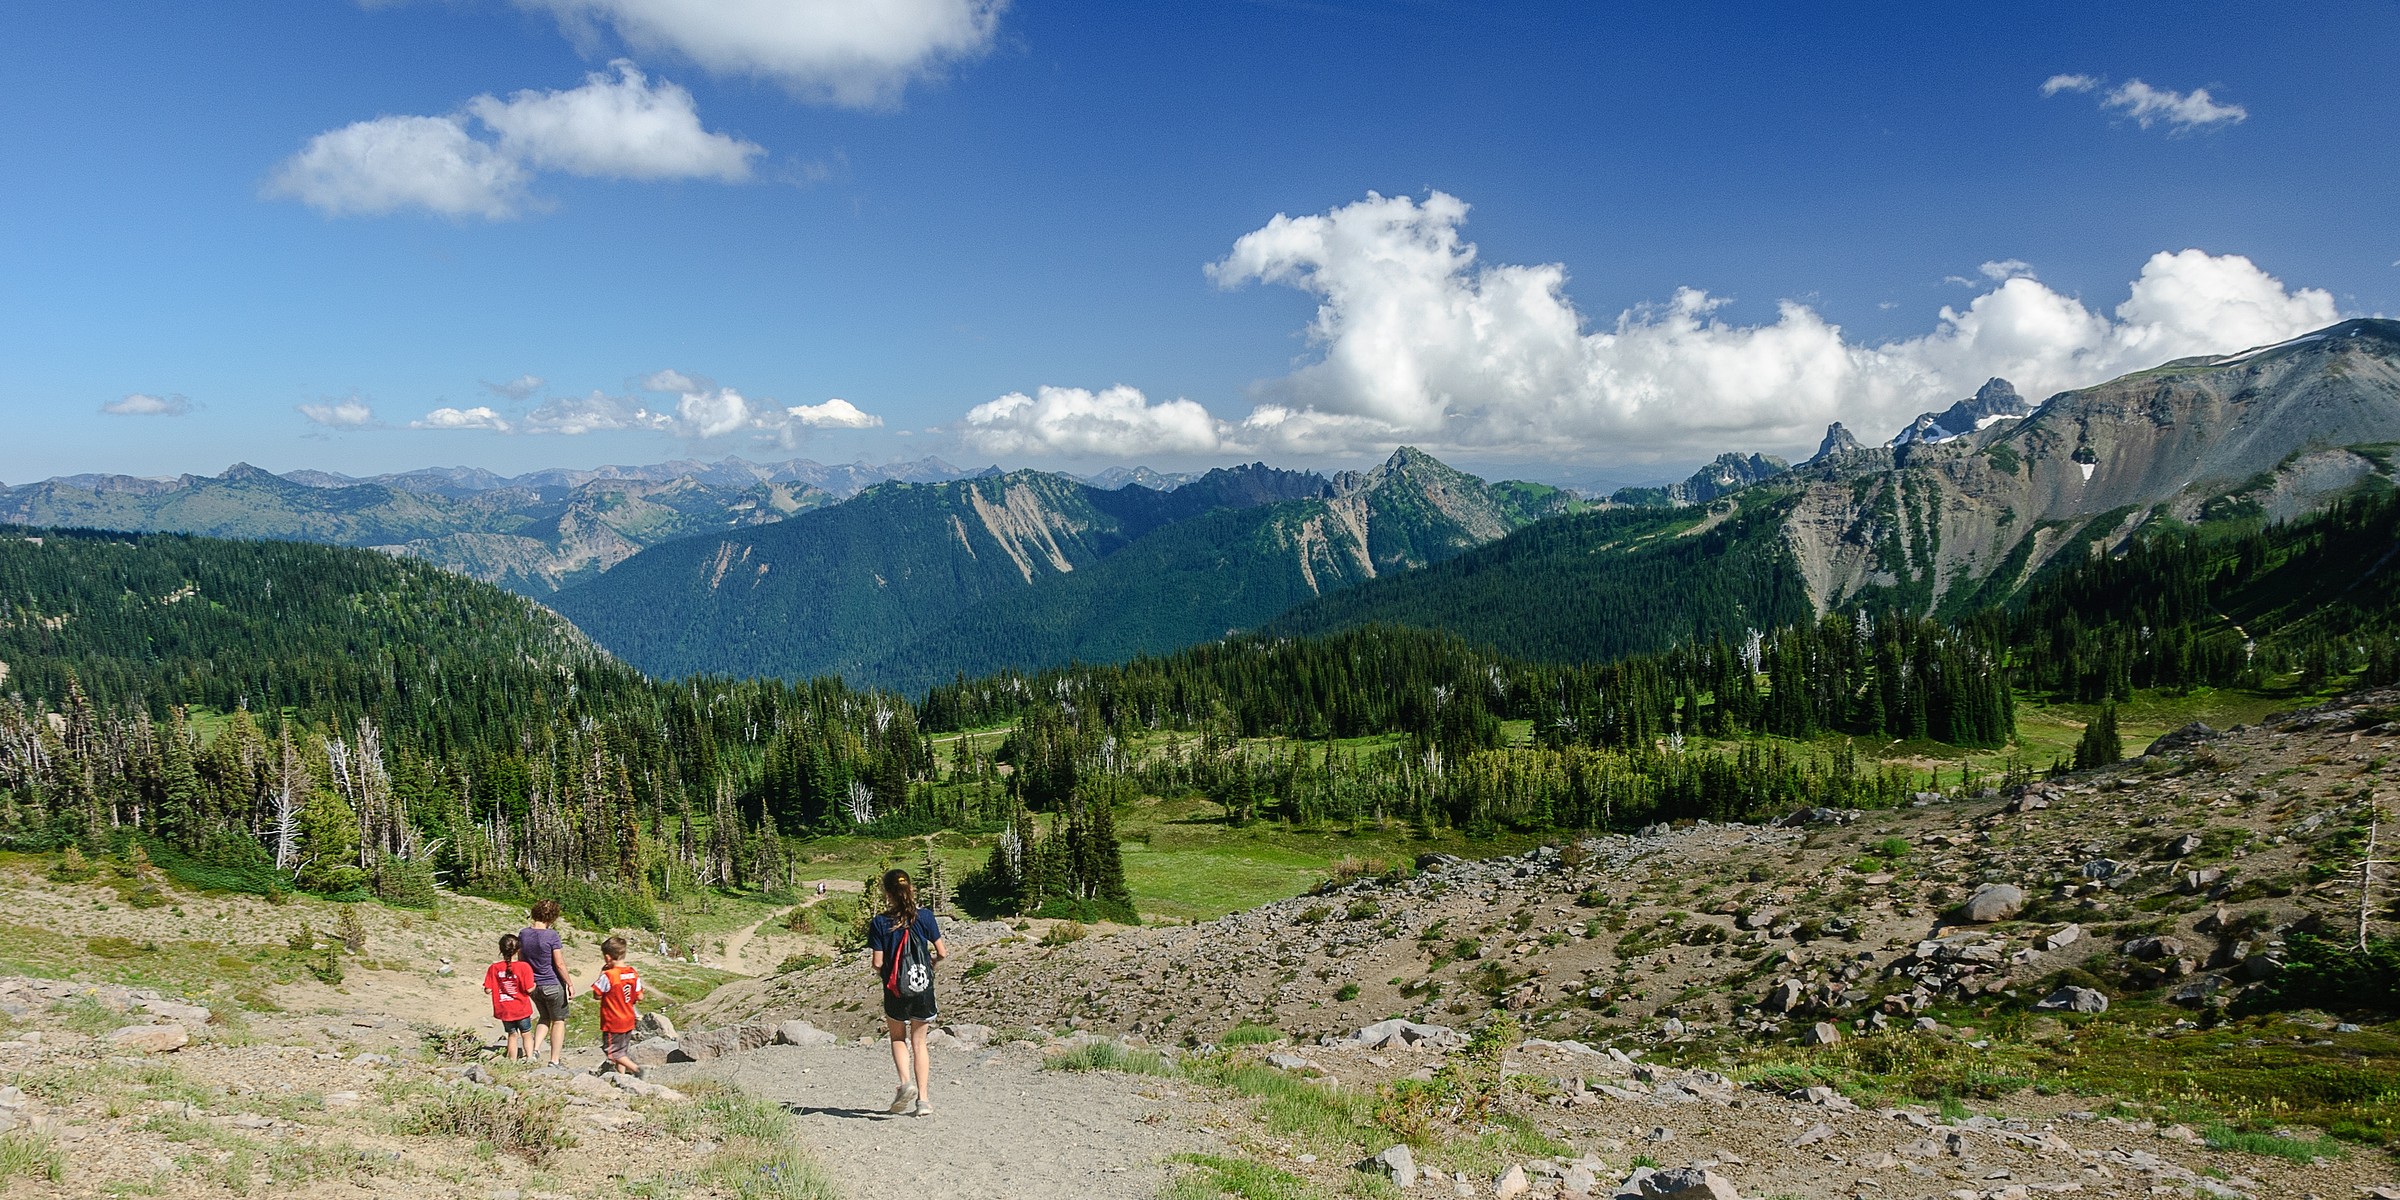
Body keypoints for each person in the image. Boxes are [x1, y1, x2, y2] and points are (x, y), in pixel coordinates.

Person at [867, 867, 946, 1117]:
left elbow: (877, 963)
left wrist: (887, 977)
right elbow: (942, 952)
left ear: (887, 893)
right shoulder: (925, 917)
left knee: (898, 1038)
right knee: (919, 1042)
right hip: (922, 988)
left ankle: (905, 1083)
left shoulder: (880, 922)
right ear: (911, 889)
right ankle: (923, 1101)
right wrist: (931, 964)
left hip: (895, 990)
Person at [518, 900, 571, 1067]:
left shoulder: (523, 934)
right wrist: (569, 983)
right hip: (552, 983)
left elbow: (521, 959)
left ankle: (534, 1050)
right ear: (553, 917)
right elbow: (559, 964)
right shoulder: (552, 935)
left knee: (544, 1017)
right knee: (558, 1020)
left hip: (534, 985)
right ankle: (554, 1060)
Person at [590, 935, 645, 1076]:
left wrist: (601, 974)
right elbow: (640, 996)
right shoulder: (632, 973)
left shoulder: (609, 975)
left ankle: (636, 1069)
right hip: (628, 1018)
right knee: (622, 1050)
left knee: (612, 1052)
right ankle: (621, 1076)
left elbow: (597, 995)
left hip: (613, 1021)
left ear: (608, 958)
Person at [482, 933, 536, 1061]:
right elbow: (529, 989)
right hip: (521, 1008)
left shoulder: (494, 968)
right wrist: (535, 985)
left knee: (512, 1035)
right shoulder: (524, 967)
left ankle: (512, 1061)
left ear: (501, 949)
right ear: (518, 950)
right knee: (526, 1033)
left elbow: (488, 990)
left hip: (504, 1008)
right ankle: (529, 1057)